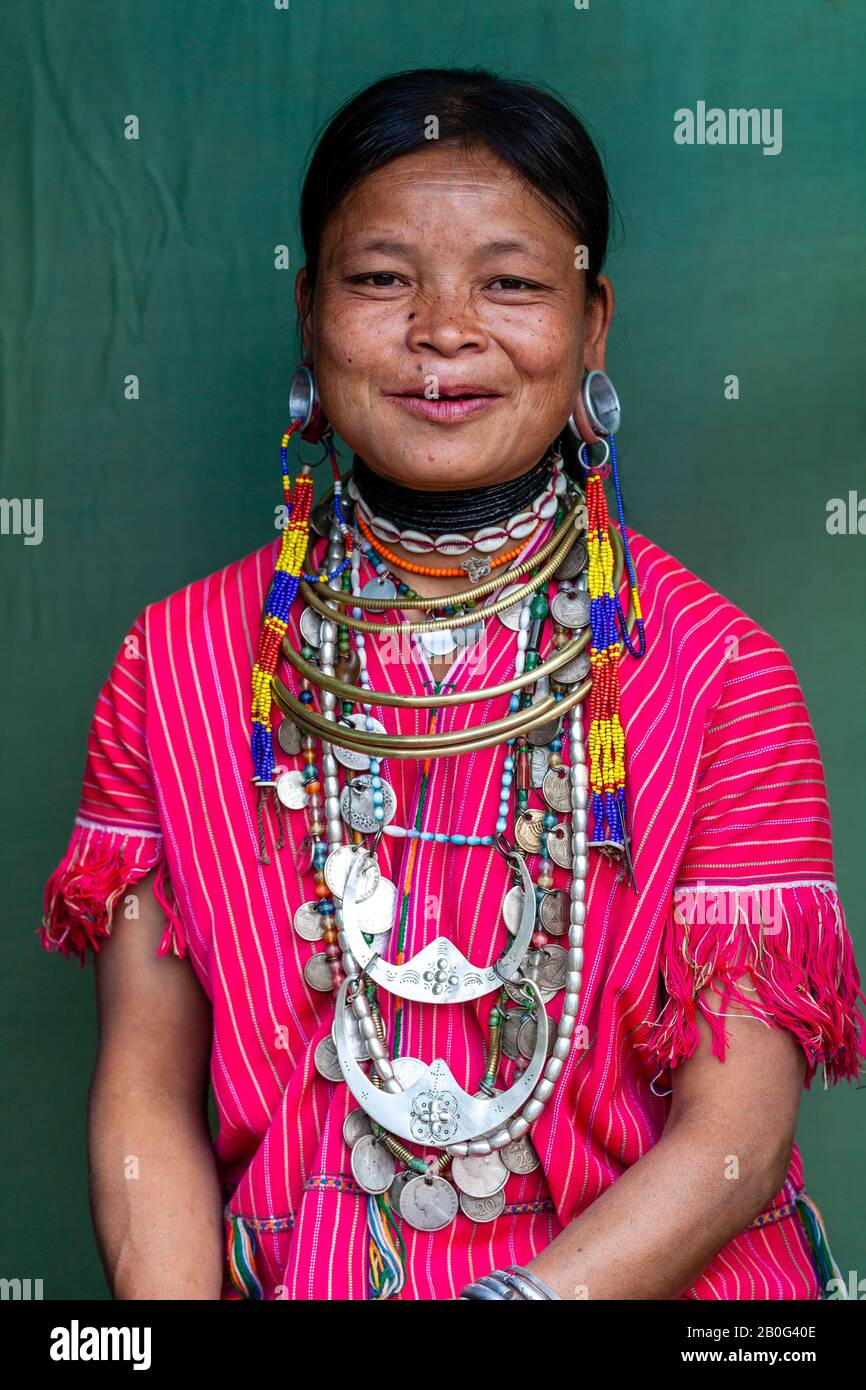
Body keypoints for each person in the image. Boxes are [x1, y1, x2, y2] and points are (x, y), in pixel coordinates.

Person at [40, 67, 865, 1302]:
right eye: (380, 279)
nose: (442, 331)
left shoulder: (717, 673)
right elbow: (146, 1094)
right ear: (306, 311)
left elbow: (730, 1137)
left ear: (592, 327)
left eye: (511, 282)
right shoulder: (177, 665)